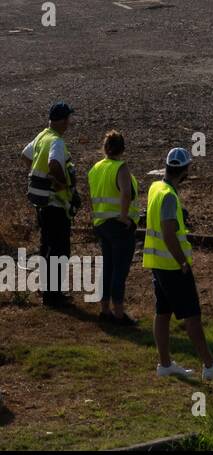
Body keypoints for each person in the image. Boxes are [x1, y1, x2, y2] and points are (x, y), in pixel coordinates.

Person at [143, 148, 213, 380]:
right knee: (192, 316)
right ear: (185, 171)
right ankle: (210, 367)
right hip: (172, 266)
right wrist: (183, 262)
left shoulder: (156, 187)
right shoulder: (169, 196)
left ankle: (165, 364)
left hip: (156, 263)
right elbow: (168, 234)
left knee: (163, 312)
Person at [19, 101, 79, 308]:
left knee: (46, 246)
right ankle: (55, 295)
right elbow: (54, 163)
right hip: (55, 204)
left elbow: (25, 155)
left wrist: (38, 176)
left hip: (42, 203)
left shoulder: (42, 136)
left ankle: (47, 291)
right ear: (62, 120)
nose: (70, 122)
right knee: (59, 249)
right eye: (69, 118)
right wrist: (60, 182)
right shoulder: (57, 141)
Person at [87, 130, 141, 325]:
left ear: (105, 148)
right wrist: (125, 218)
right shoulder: (121, 168)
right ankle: (119, 313)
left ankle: (104, 309)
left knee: (108, 267)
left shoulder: (95, 168)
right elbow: (126, 193)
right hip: (118, 225)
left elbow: (92, 197)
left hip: (101, 224)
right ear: (123, 149)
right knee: (120, 270)